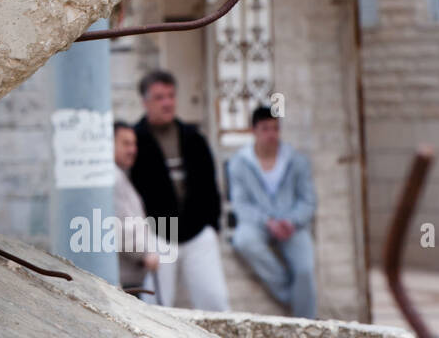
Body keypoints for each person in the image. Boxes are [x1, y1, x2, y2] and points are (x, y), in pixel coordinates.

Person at [129, 70, 229, 310]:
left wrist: (212, 226)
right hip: (159, 234)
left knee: (215, 302)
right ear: (145, 102)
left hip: (197, 233)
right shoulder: (135, 140)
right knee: (155, 307)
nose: (167, 103)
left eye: (171, 96)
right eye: (159, 97)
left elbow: (210, 185)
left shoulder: (193, 137)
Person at [226, 106, 318, 319]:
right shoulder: (240, 163)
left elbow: (308, 201)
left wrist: (291, 221)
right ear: (254, 130)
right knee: (243, 240)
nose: (271, 134)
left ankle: (308, 322)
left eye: (275, 128)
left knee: (305, 267)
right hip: (260, 224)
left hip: (292, 226)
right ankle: (288, 293)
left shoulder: (296, 161)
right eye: (265, 129)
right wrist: (268, 221)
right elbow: (240, 205)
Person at [113, 121, 161, 298]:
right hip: (125, 276)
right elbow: (121, 227)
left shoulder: (119, 175)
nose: (132, 149)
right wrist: (144, 255)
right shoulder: (113, 178)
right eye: (126, 144)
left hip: (130, 274)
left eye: (134, 144)